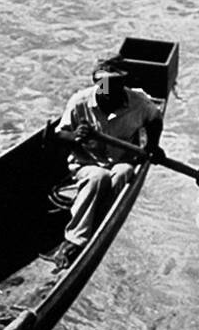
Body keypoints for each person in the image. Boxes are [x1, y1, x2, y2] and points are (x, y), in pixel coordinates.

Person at [49, 55, 164, 268]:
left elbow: (155, 119)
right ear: (97, 82)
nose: (108, 87)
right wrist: (75, 136)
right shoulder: (80, 101)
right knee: (98, 177)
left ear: (123, 83)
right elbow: (59, 135)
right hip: (87, 162)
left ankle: (99, 228)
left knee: (120, 175)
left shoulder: (138, 102)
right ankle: (74, 240)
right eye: (103, 82)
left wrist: (153, 147)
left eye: (114, 82)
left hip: (122, 159)